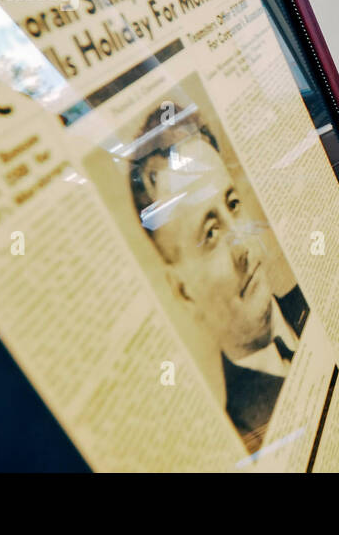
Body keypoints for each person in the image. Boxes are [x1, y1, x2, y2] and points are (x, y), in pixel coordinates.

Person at [128, 102, 308, 451]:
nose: (243, 243)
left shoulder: (319, 308)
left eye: (234, 205)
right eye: (210, 233)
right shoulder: (242, 437)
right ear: (183, 291)